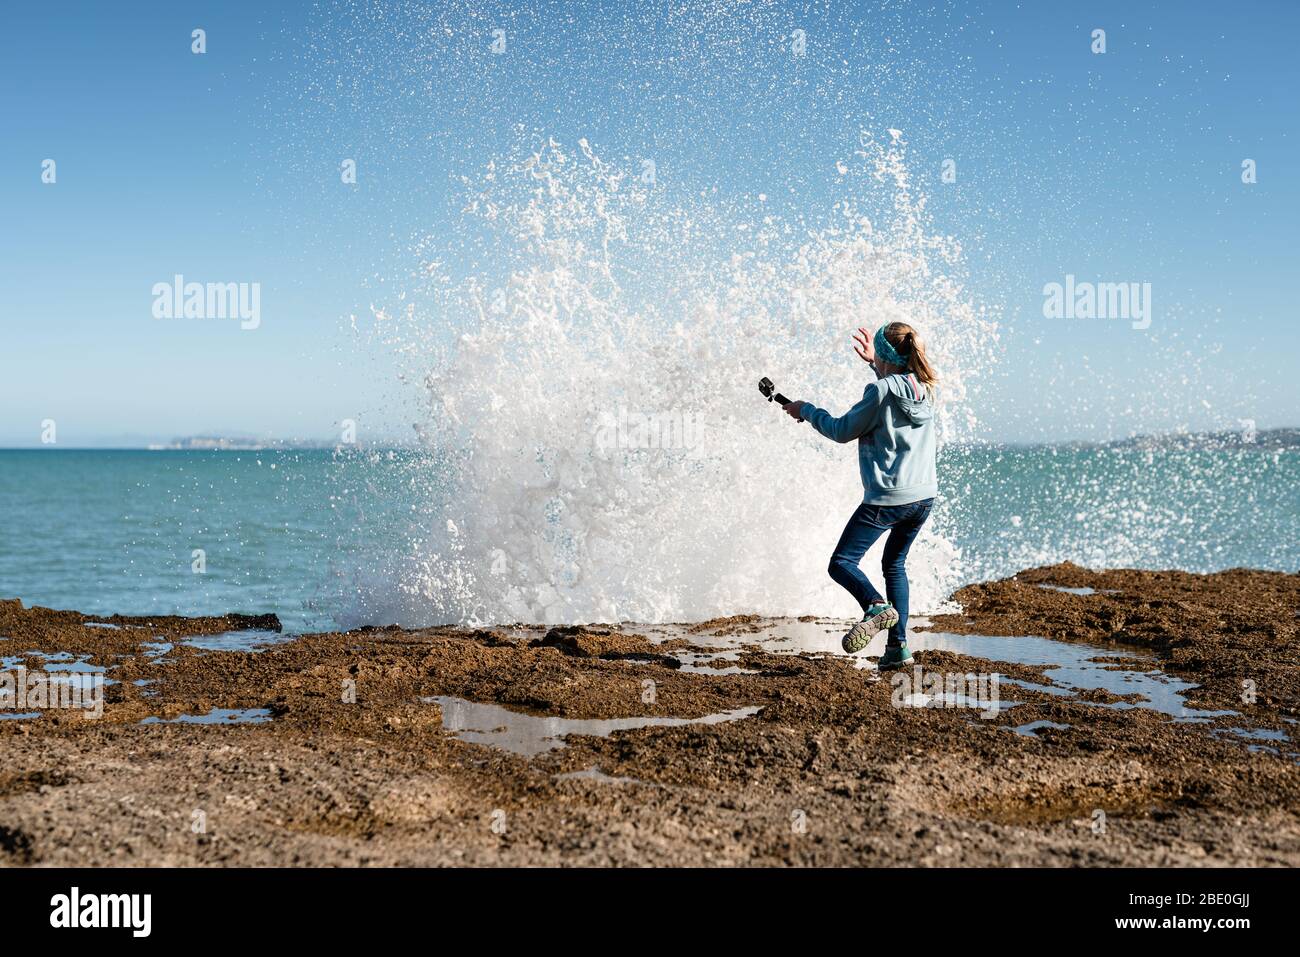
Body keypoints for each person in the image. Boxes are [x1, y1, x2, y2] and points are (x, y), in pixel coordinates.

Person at [782, 322, 938, 670]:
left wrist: (806, 409)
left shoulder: (879, 391)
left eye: (878, 356)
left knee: (841, 563)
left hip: (887, 498)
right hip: (923, 498)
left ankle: (876, 606)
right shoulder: (924, 387)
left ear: (885, 356)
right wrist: (875, 362)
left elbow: (841, 431)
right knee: (894, 565)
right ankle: (898, 649)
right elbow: (896, 391)